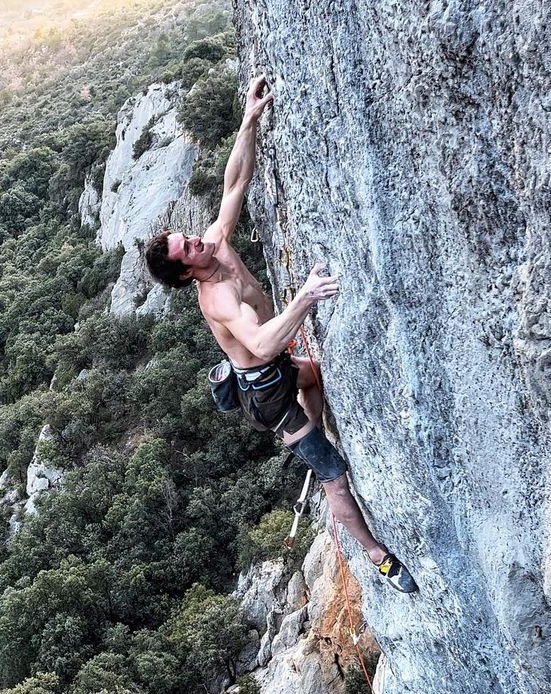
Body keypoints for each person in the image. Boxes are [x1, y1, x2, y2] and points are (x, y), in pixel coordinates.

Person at [144, 74, 417, 593]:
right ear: (185, 274)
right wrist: (305, 298)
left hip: (282, 368)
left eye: (189, 236)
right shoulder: (217, 300)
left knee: (313, 377)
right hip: (268, 395)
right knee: (334, 475)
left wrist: (248, 120)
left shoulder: (216, 244)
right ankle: (378, 556)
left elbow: (234, 183)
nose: (199, 240)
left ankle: (313, 432)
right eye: (189, 248)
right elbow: (263, 343)